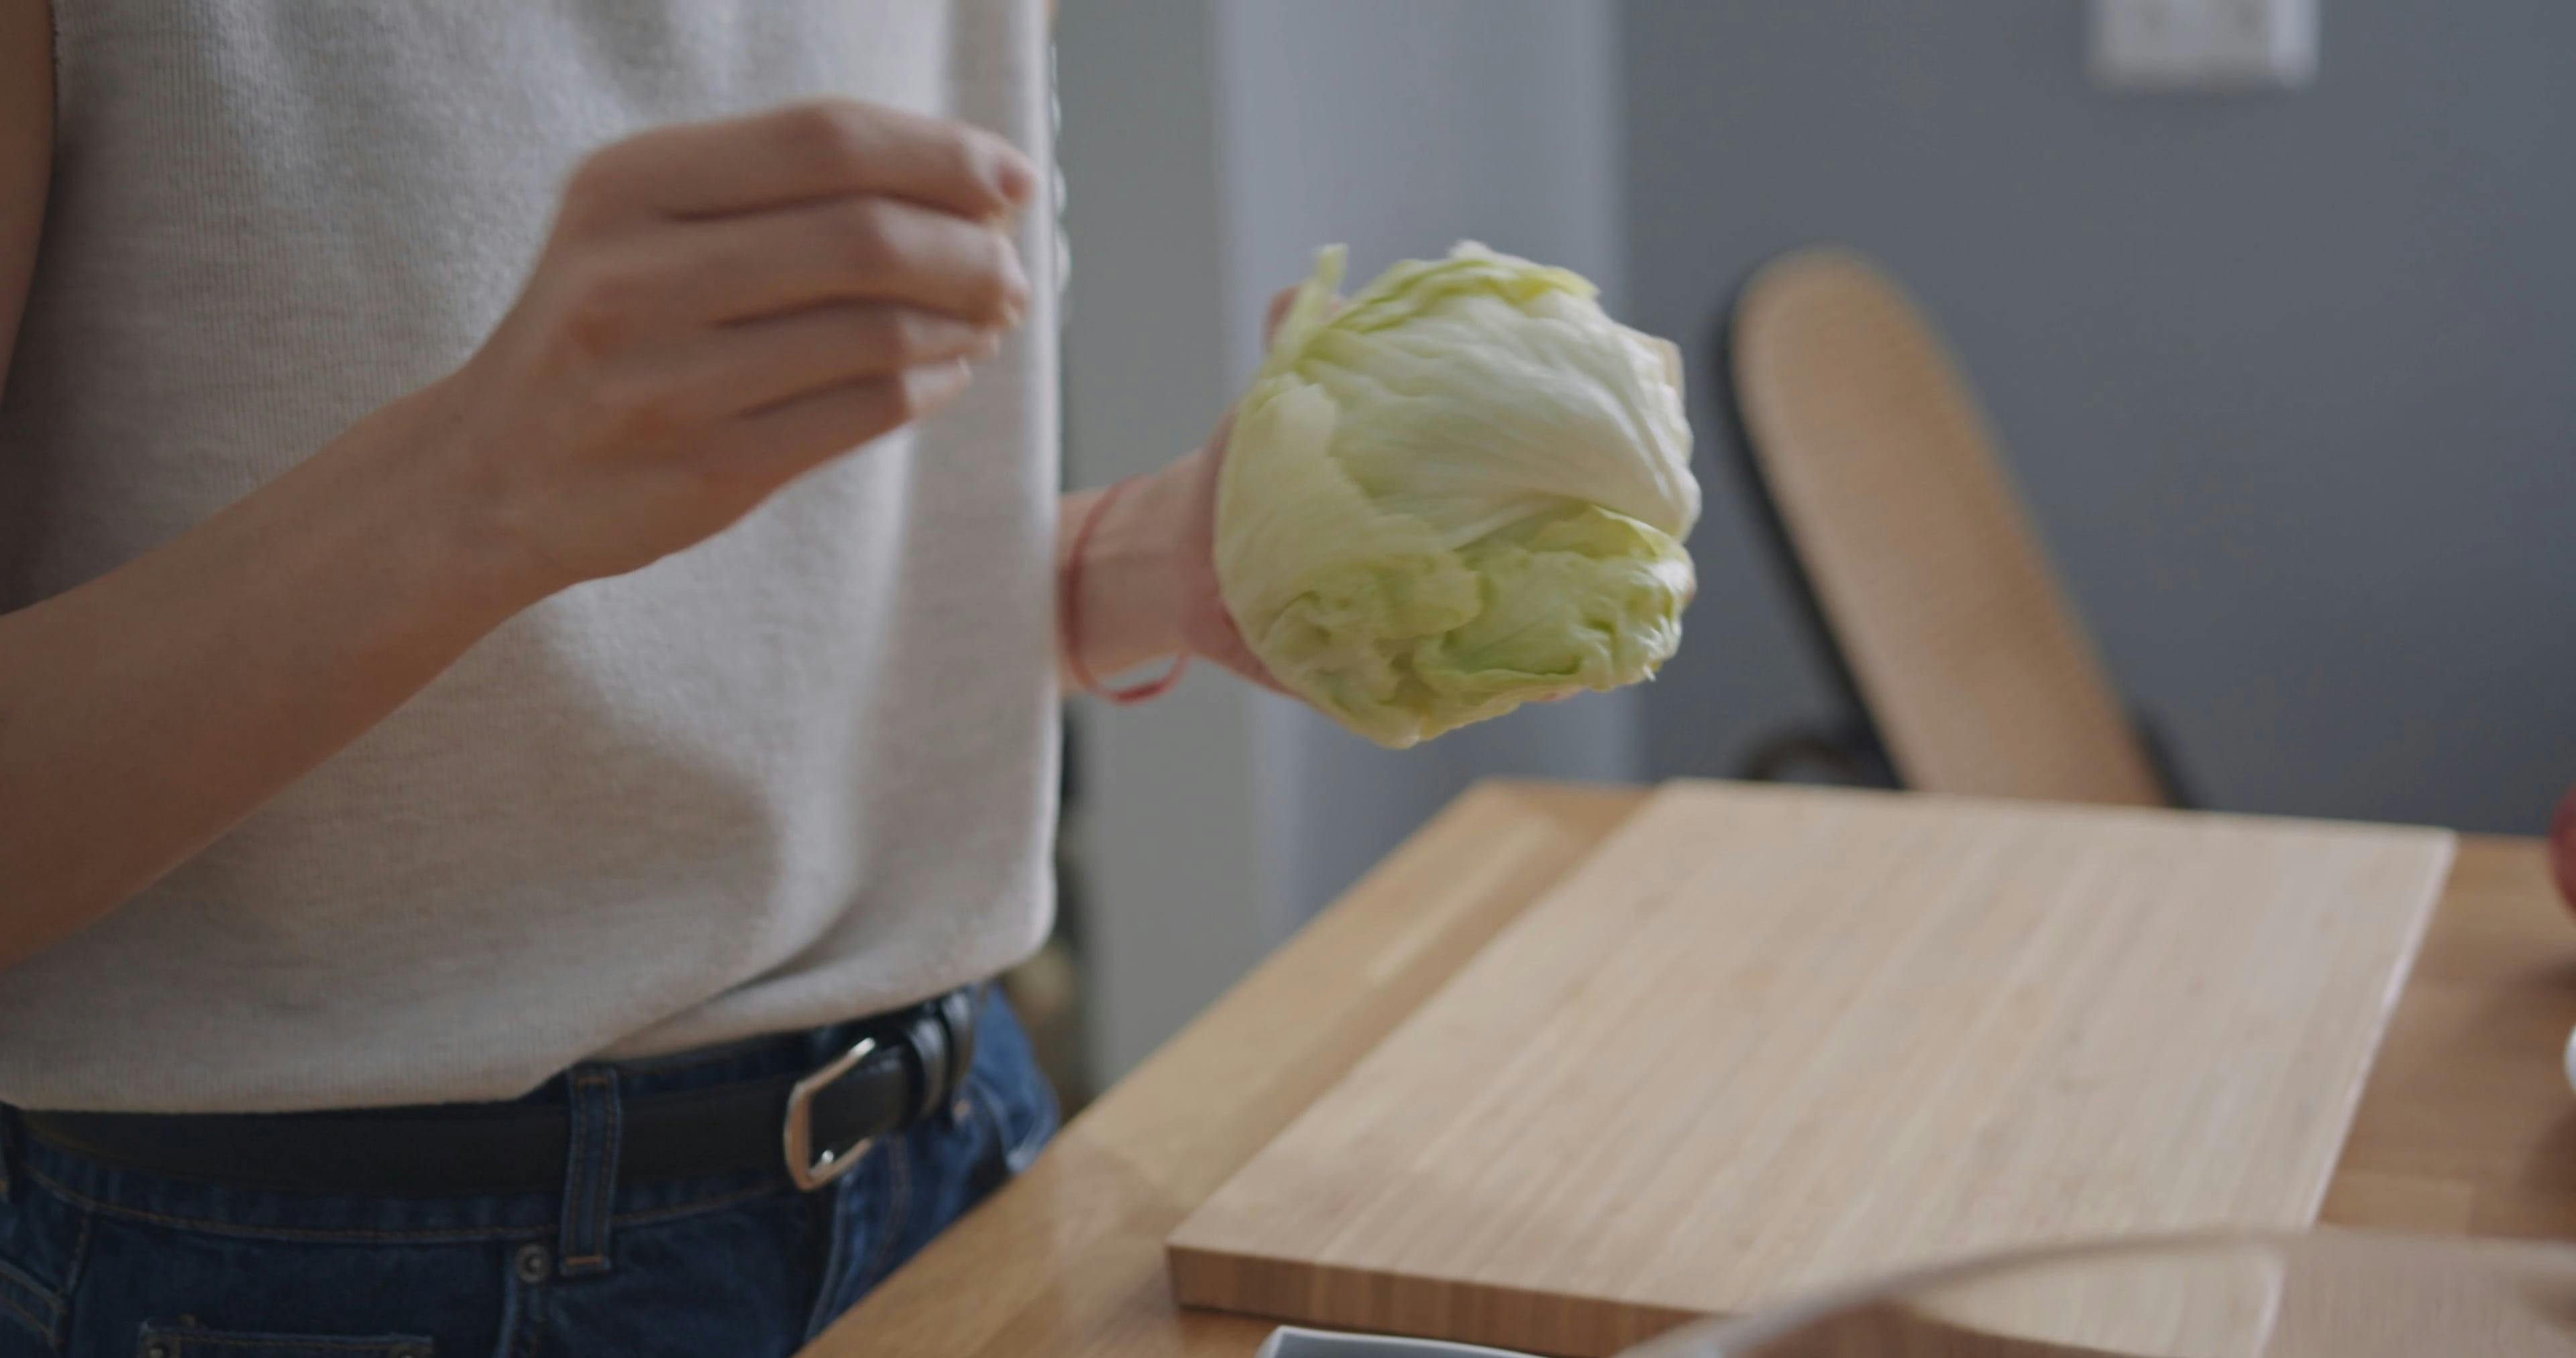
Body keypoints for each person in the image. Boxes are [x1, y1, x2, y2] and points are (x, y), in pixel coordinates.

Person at [0, 1, 1271, 1351]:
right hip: (325, 1276)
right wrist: (478, 479)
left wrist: (1136, 567)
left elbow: (698, 645)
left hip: (961, 1148)